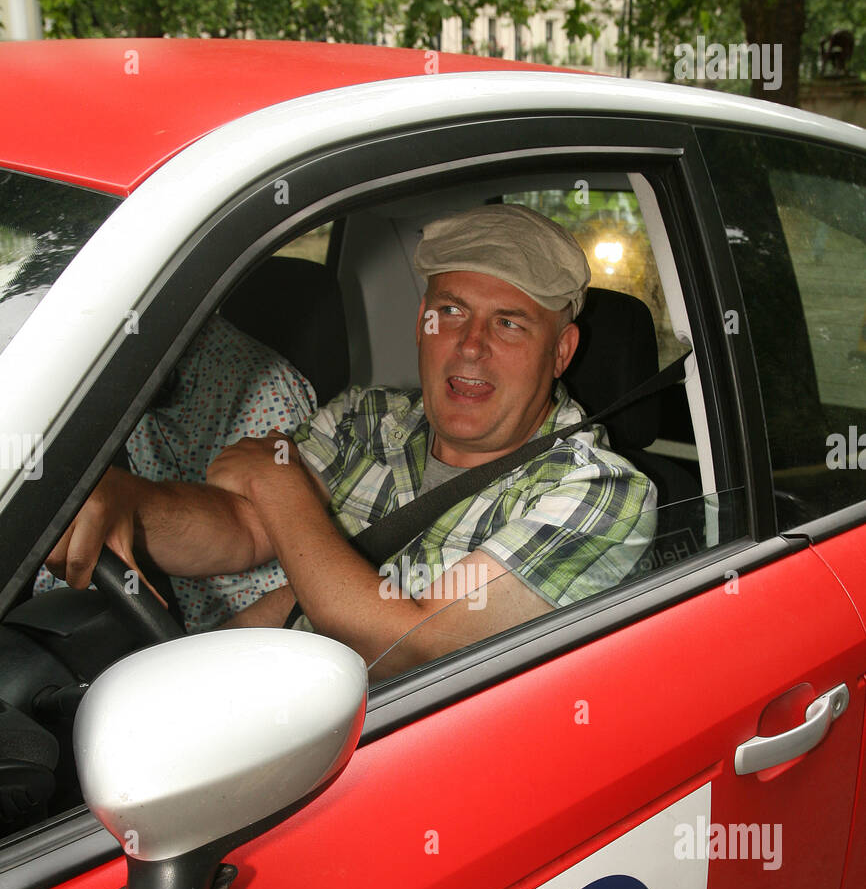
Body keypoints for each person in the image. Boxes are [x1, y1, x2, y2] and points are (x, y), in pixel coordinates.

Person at [46, 204, 657, 672]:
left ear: (561, 353)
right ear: (421, 324)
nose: (470, 345)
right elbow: (243, 526)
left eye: (508, 323)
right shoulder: (367, 417)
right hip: (280, 715)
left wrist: (276, 477)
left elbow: (414, 643)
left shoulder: (599, 490)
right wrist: (129, 503)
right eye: (450, 312)